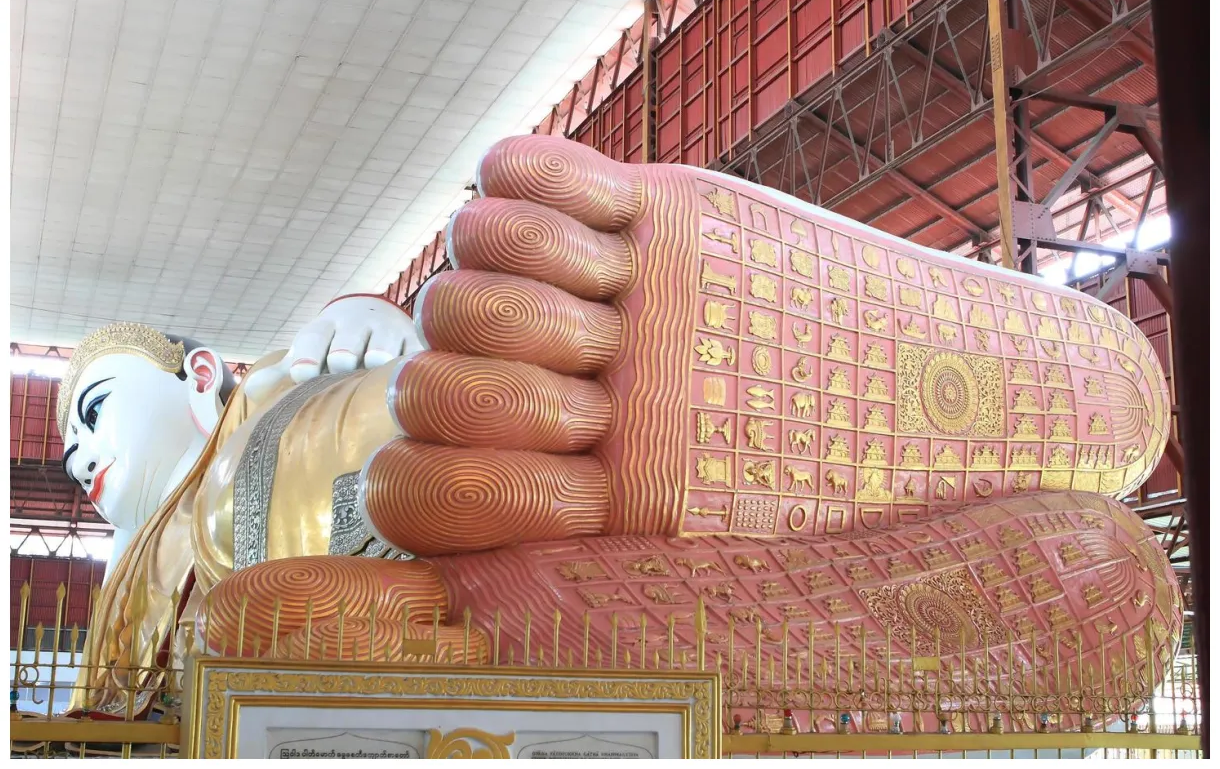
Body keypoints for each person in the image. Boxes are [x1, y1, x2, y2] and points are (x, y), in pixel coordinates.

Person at [62, 136, 1181, 731]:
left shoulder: (264, 385)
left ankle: (620, 460)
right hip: (392, 605)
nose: (83, 459)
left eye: (97, 408)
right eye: (69, 456)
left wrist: (350, 329)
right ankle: (607, 615)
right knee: (408, 610)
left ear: (200, 370)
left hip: (451, 440)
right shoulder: (121, 619)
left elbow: (366, 332)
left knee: (478, 376)